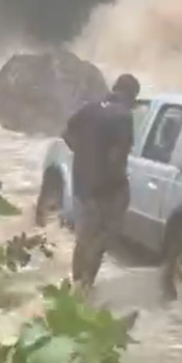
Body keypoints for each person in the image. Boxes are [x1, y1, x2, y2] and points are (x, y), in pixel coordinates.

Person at [62, 74, 140, 296]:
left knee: (84, 237)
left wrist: (85, 157)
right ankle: (88, 285)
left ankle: (76, 286)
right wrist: (118, 183)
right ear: (131, 95)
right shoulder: (124, 116)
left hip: (82, 185)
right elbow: (119, 154)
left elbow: (67, 133)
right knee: (103, 237)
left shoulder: (89, 109)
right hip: (106, 189)